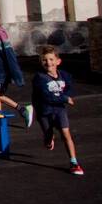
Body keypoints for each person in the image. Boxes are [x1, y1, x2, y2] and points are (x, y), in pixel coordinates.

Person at [32, 48, 82, 176]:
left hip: (59, 110)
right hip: (44, 110)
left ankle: (74, 162)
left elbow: (68, 88)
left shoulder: (64, 75)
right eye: (44, 60)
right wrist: (65, 98)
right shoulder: (39, 78)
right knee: (49, 136)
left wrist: (67, 95)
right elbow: (47, 96)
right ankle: (48, 138)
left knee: (66, 133)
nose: (48, 63)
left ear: (58, 61)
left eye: (51, 59)